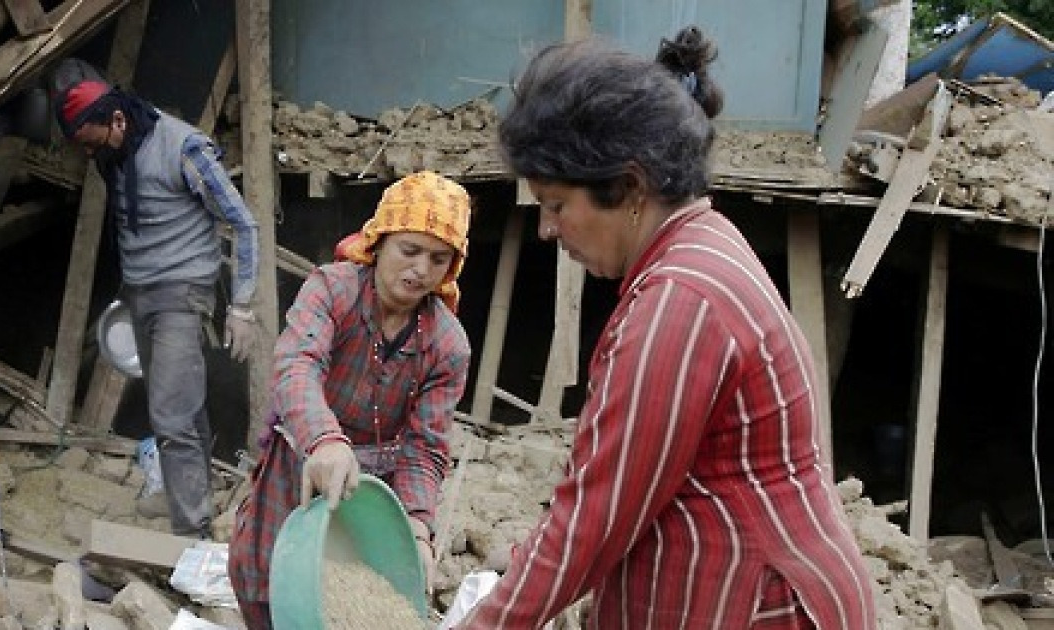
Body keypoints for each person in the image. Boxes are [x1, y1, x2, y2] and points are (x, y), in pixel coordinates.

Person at [453, 27, 876, 629]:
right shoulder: (700, 249)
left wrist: (486, 623)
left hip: (763, 608)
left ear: (628, 187)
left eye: (554, 205)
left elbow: (596, 518)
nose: (547, 230)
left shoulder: (681, 301)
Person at [228, 171, 473, 628]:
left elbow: (426, 446)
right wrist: (324, 440)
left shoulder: (447, 344)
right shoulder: (332, 289)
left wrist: (417, 526)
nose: (421, 269)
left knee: (345, 600)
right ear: (378, 241)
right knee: (264, 579)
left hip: (371, 490)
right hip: (301, 459)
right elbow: (297, 364)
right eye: (409, 250)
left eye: (438, 258)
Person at [52, 60, 260, 539]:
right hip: (142, 290)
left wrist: (243, 306)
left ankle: (192, 533)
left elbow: (243, 222)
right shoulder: (113, 151)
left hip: (182, 291)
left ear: (117, 121)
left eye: (90, 143)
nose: (88, 156)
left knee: (170, 411)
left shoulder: (184, 149)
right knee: (180, 402)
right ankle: (191, 492)